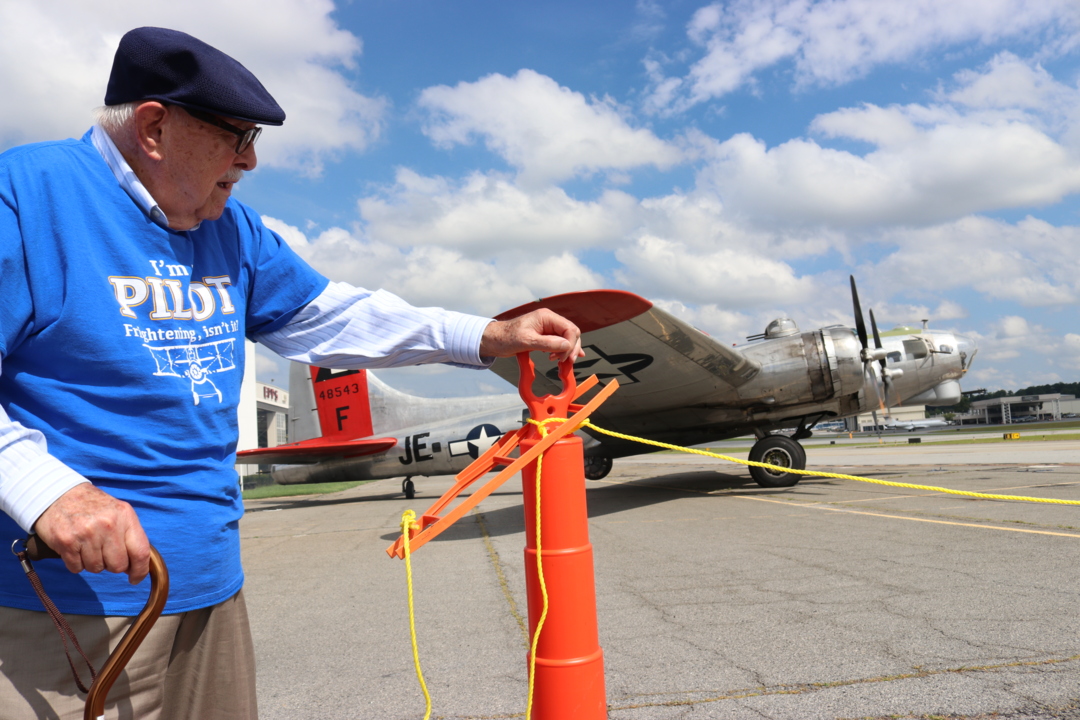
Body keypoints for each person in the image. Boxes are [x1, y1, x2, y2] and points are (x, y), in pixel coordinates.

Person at [0, 27, 582, 720]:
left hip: (210, 587)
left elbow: (332, 314)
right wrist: (49, 493)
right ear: (154, 127)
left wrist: (487, 335)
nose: (249, 162)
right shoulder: (28, 196)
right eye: (236, 136)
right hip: (71, 603)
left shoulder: (231, 229)